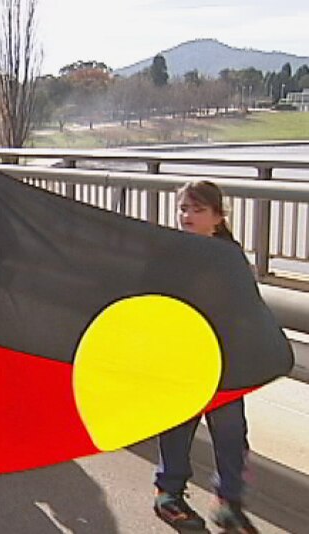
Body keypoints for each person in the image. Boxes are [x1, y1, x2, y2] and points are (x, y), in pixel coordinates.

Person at [153, 180, 258, 534]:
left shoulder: (231, 255)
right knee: (177, 427)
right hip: (181, 357)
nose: (188, 216)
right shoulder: (169, 252)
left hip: (223, 359)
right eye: (183, 208)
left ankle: (229, 500)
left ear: (217, 216)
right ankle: (168, 493)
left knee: (230, 430)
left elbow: (246, 307)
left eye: (198, 210)